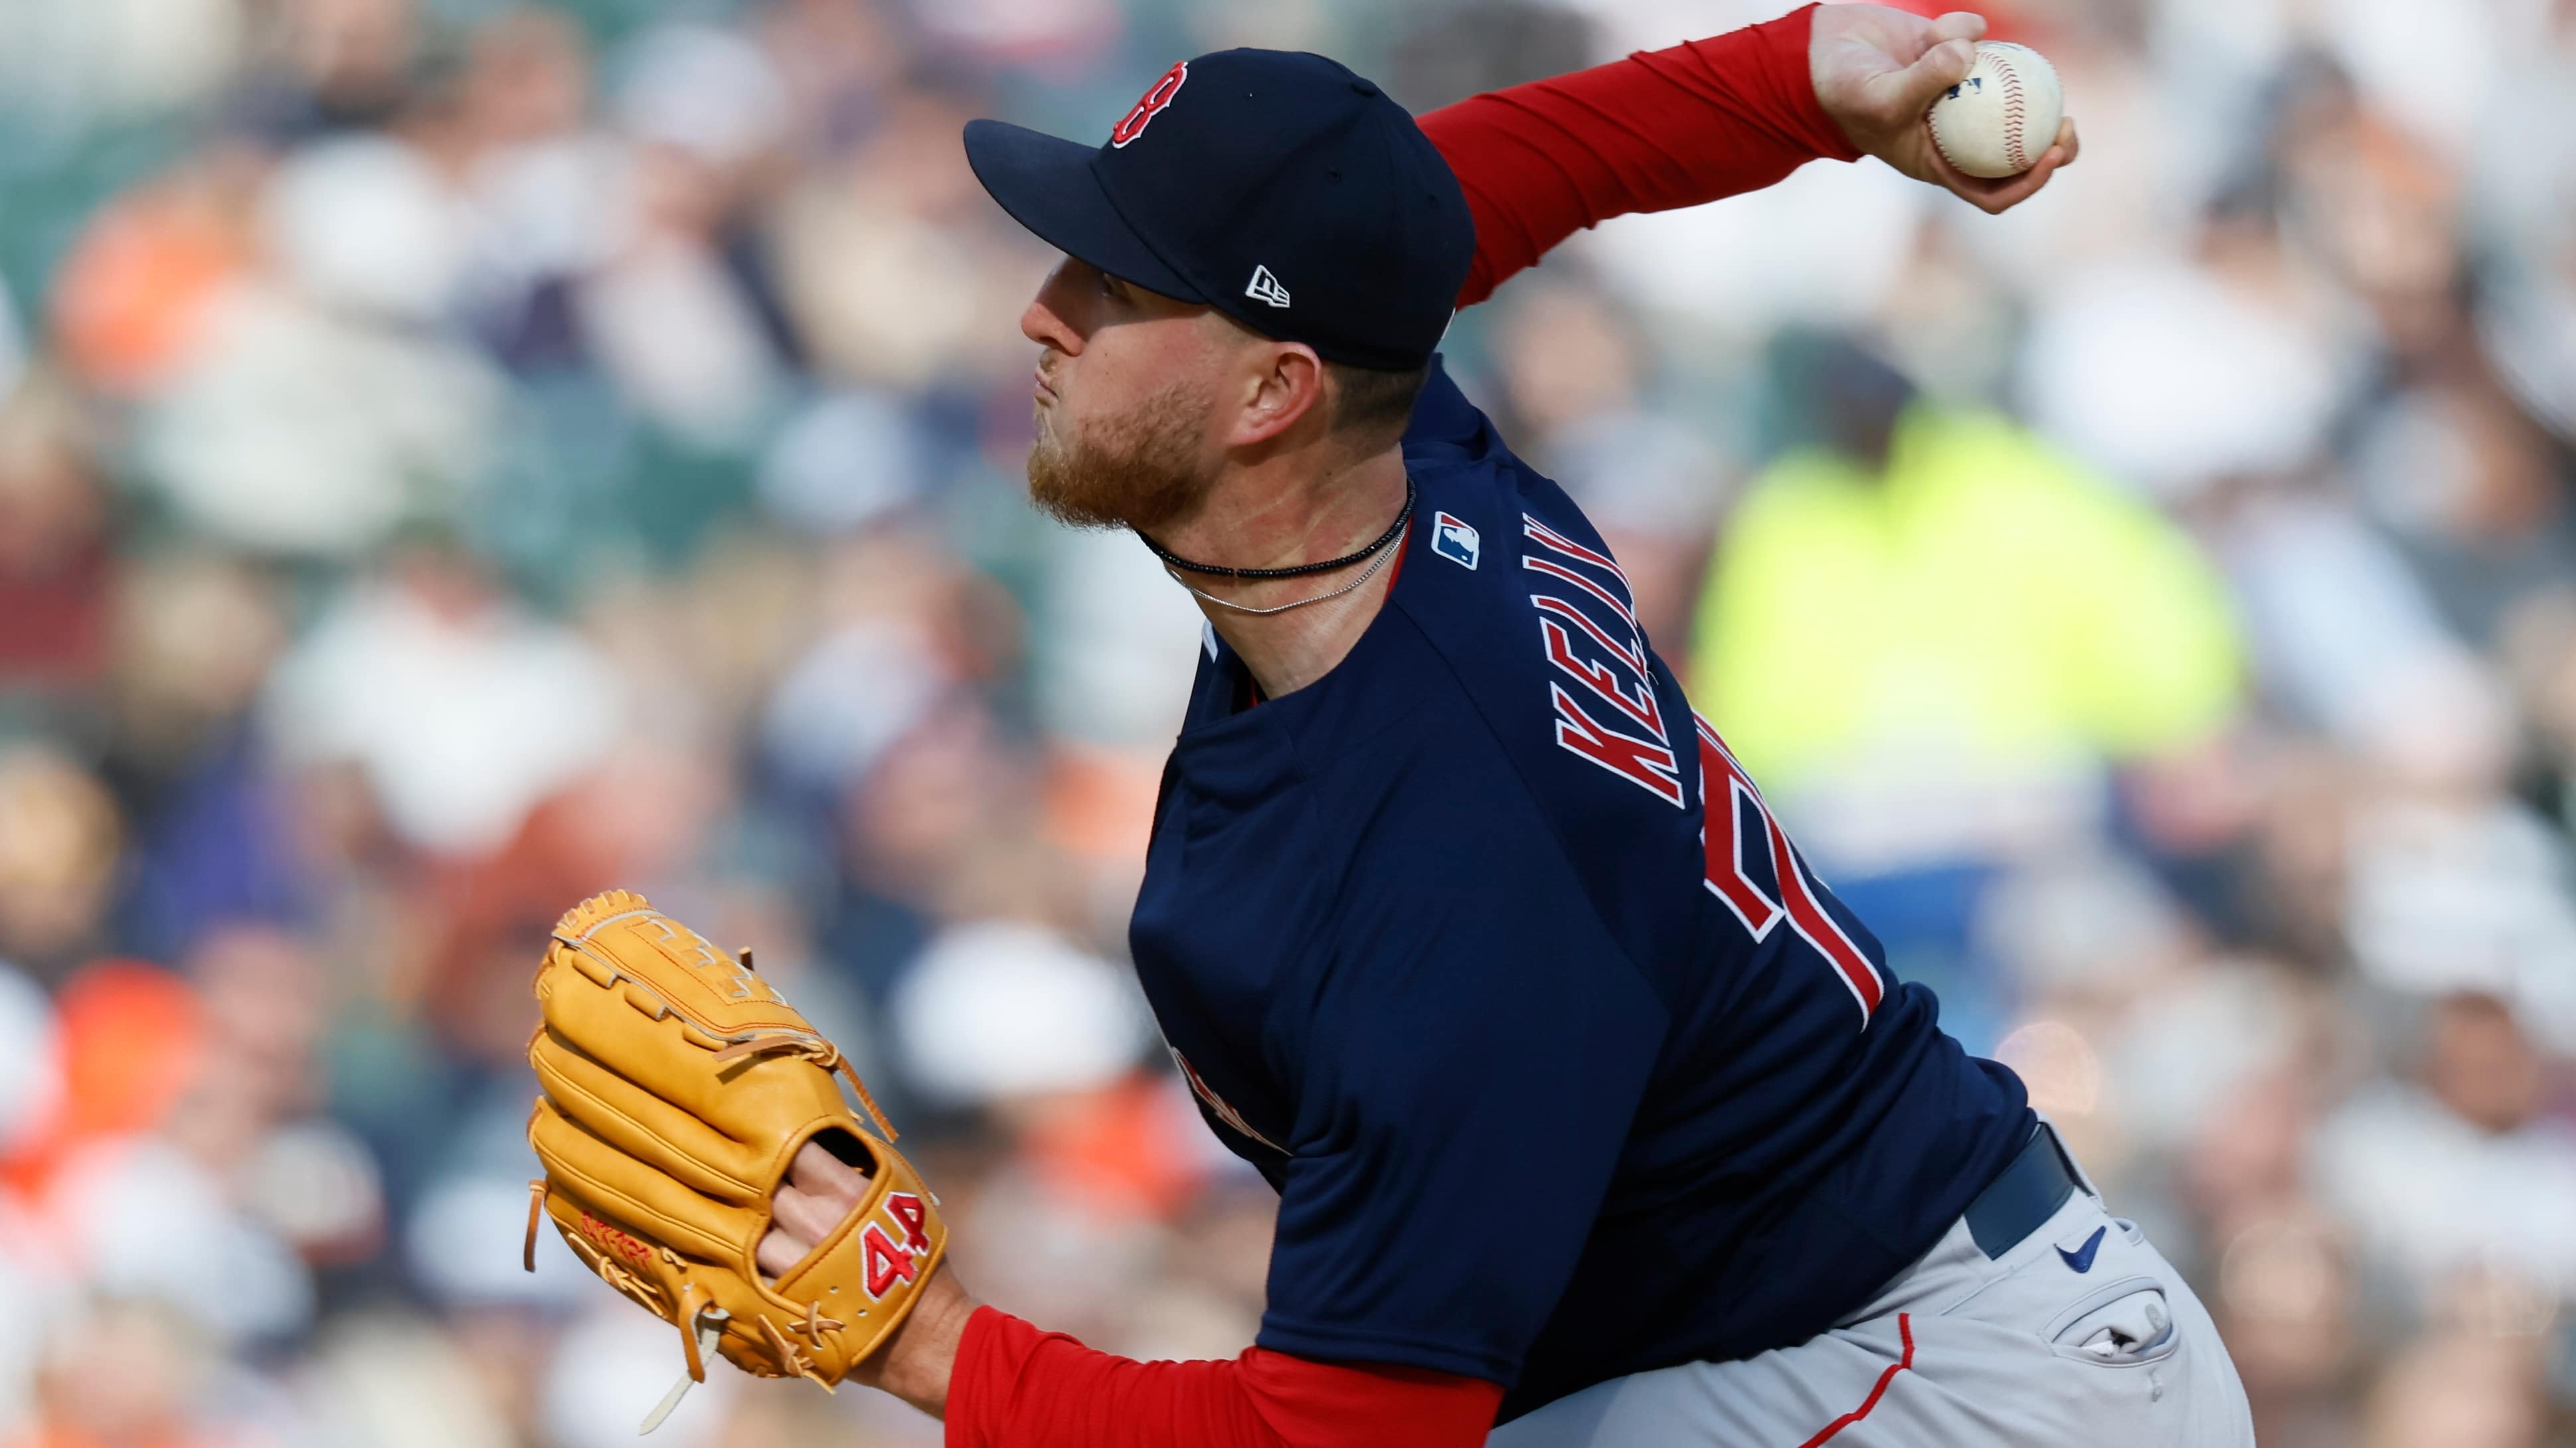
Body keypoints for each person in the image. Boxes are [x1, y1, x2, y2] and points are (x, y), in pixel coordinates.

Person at [756, 5, 2254, 1444]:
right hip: (1864, 1334)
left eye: (1118, 287)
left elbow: (1337, 1438)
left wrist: (930, 1341)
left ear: (1270, 395)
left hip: (1944, 1382)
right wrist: (1794, 79)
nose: (1044, 306)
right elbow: (1447, 196)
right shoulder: (1390, 441)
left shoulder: (1452, 868)